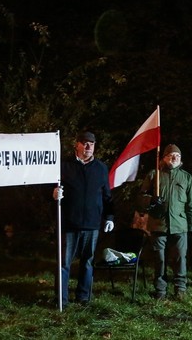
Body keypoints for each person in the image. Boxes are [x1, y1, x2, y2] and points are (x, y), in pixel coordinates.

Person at [55, 130, 115, 307]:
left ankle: (83, 297)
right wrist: (53, 193)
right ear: (77, 144)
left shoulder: (101, 168)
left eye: (91, 144)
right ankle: (61, 299)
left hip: (92, 224)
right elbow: (48, 188)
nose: (88, 147)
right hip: (69, 223)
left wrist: (110, 216)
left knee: (87, 262)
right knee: (64, 263)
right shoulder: (64, 166)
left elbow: (107, 196)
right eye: (84, 143)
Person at [138, 144, 192, 300]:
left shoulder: (186, 177)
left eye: (177, 156)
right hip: (158, 224)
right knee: (160, 259)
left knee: (180, 258)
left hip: (180, 225)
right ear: (164, 158)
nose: (174, 158)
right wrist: (150, 199)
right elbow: (140, 197)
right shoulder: (154, 175)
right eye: (170, 155)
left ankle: (180, 289)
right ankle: (160, 290)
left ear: (180, 159)